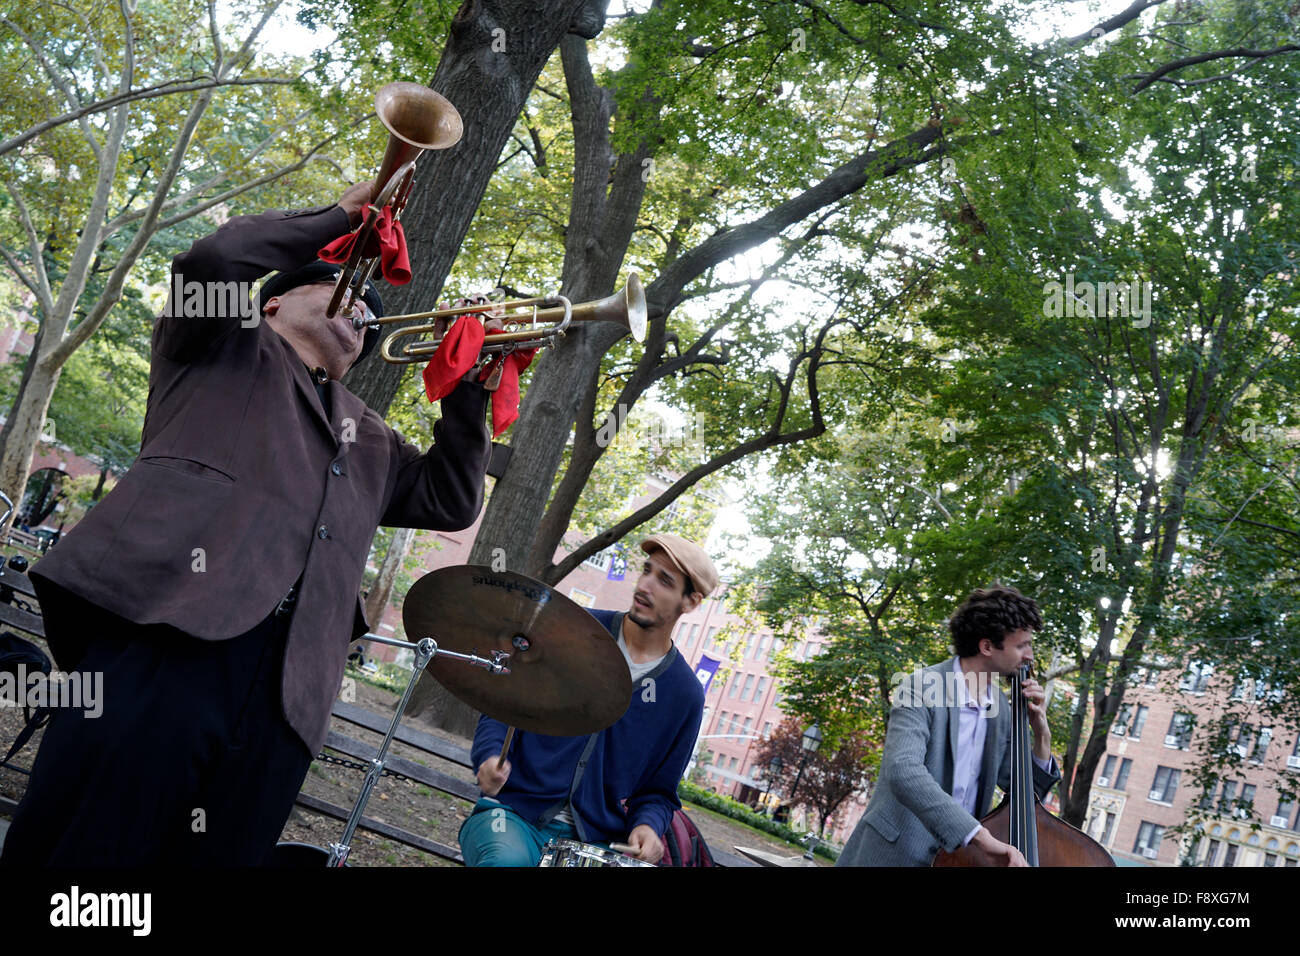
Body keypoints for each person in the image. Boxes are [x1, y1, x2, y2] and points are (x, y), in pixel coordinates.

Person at [1, 182, 494, 866]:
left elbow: (450, 501)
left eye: (371, 316)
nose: (362, 307)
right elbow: (215, 259)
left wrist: (475, 388)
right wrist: (345, 216)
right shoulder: (220, 346)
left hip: (288, 693)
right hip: (169, 638)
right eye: (338, 288)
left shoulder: (375, 435)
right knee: (88, 852)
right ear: (272, 301)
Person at [458, 533, 716, 866]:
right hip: (510, 817)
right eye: (647, 571)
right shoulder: (572, 630)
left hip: (596, 846)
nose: (645, 585)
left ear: (690, 602)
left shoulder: (684, 695)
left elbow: (658, 792)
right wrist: (489, 755)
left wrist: (648, 827)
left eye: (664, 581)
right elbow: (503, 710)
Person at [836, 585, 1061, 867]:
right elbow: (903, 771)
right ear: (987, 646)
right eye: (1021, 645)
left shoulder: (1001, 709)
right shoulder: (920, 686)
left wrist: (1041, 733)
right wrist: (979, 836)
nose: (1029, 655)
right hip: (892, 855)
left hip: (957, 863)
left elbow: (1023, 796)